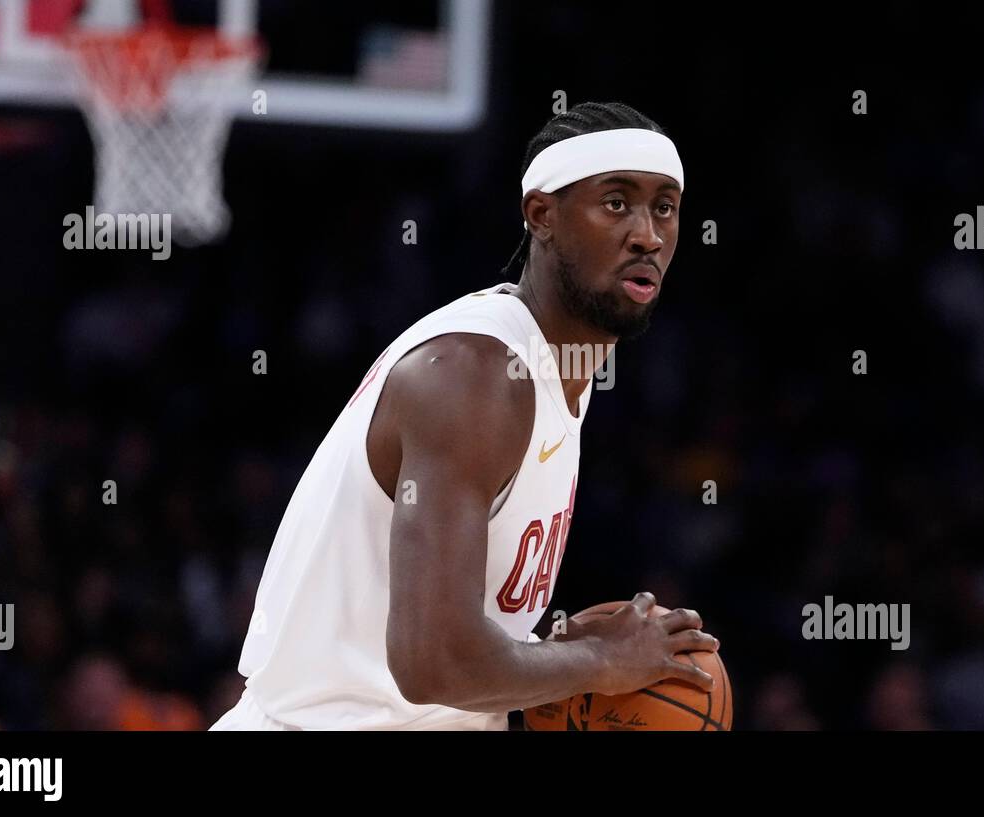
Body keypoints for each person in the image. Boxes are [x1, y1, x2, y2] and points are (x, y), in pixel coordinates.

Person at [212, 102, 718, 730]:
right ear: (542, 215)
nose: (647, 233)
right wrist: (597, 660)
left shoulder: (558, 370)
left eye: (664, 208)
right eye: (616, 203)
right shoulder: (474, 373)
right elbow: (434, 664)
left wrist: (552, 650)